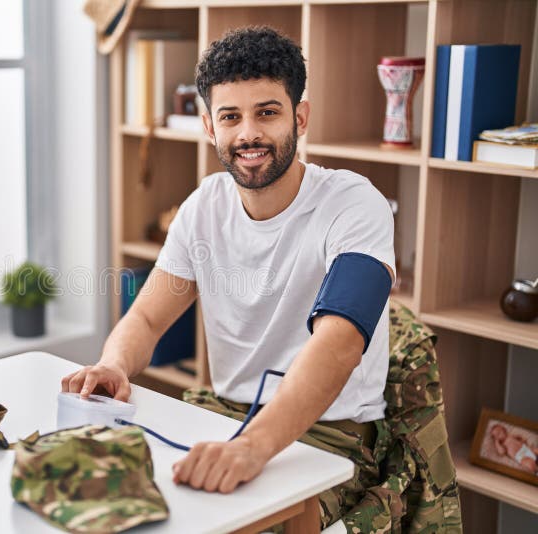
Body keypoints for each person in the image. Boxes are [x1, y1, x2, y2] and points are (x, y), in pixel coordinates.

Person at [62, 26, 395, 526]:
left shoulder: (354, 204)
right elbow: (148, 318)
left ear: (300, 117)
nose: (248, 135)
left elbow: (340, 344)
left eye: (268, 112)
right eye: (230, 117)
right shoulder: (203, 207)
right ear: (209, 127)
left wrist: (253, 448)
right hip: (223, 414)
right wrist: (114, 364)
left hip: (331, 433)